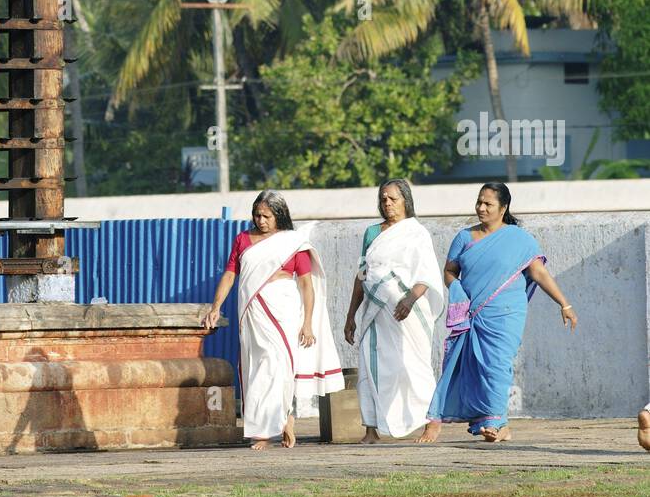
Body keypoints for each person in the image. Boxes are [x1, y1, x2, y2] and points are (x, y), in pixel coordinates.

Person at [419, 182, 577, 444]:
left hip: (506, 313)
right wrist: (456, 288)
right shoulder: (464, 237)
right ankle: (487, 422)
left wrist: (564, 304)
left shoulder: (519, 239)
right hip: (472, 312)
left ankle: (497, 423)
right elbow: (450, 272)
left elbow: (537, 272)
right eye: (479, 202)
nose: (481, 208)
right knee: (467, 366)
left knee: (497, 365)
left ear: (503, 208)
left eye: (488, 204)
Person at [201, 190, 344, 449]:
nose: (261, 220)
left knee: (278, 367)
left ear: (279, 215)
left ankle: (279, 421)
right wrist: (215, 307)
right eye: (257, 215)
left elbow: (305, 284)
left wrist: (308, 322)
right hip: (252, 310)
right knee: (256, 368)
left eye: (266, 215)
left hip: (283, 308)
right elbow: (230, 274)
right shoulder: (243, 239)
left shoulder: (292, 242)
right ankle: (267, 428)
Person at [344, 179, 443, 444]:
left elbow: (427, 274)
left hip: (405, 312)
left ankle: (432, 422)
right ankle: (371, 430)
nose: (387, 203)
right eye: (383, 199)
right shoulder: (372, 233)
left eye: (393, 199)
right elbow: (362, 275)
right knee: (369, 364)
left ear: (405, 201)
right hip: (373, 312)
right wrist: (350, 315)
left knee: (413, 365)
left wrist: (409, 300)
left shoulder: (416, 233)